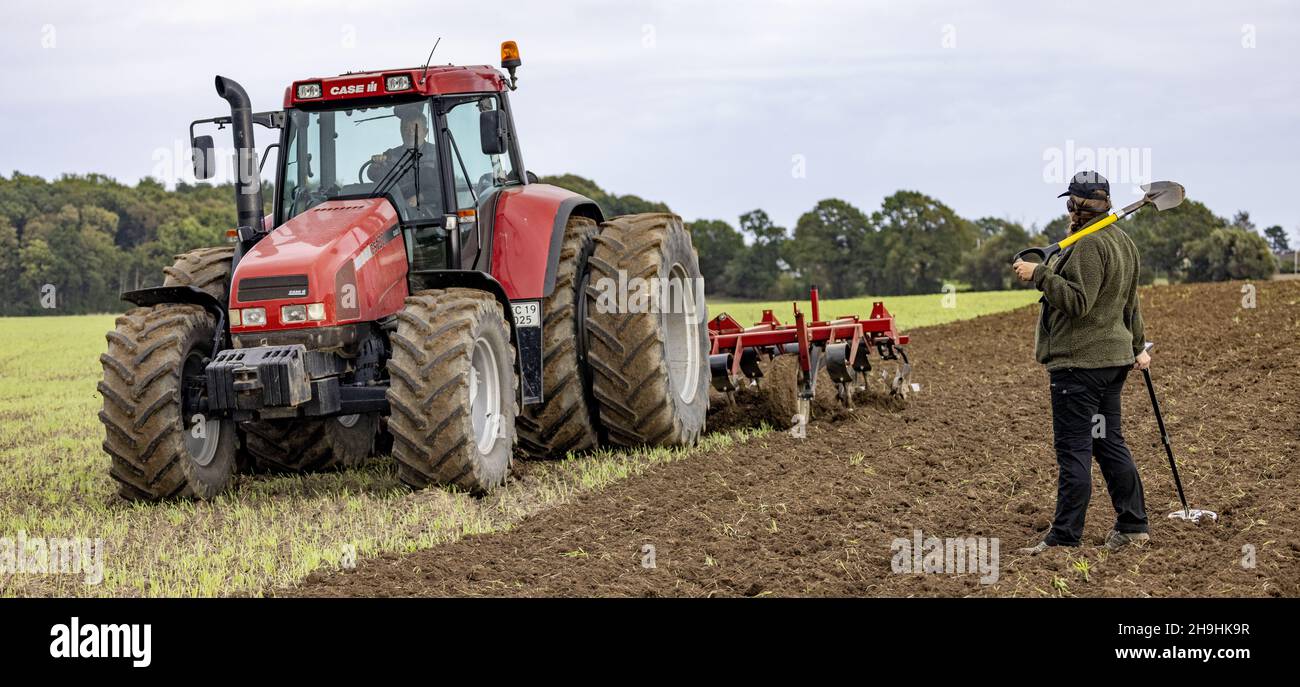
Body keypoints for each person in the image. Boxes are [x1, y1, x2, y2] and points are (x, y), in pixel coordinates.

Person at [1011, 170, 1152, 554]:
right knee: (1107, 442)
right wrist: (1137, 346)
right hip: (1111, 364)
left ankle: (1063, 538)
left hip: (1079, 368)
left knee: (1075, 451)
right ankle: (1133, 525)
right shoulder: (1123, 242)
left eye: (1070, 204)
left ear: (1075, 206)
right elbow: (1131, 304)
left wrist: (1039, 274)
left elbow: (1077, 302)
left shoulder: (1089, 246)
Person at [368, 102, 440, 212]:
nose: (410, 133)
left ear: (425, 132)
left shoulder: (436, 153)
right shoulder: (391, 155)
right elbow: (374, 176)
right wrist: (376, 165)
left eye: (415, 129)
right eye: (406, 129)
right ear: (401, 132)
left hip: (431, 216)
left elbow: (443, 189)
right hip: (398, 211)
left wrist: (419, 198)